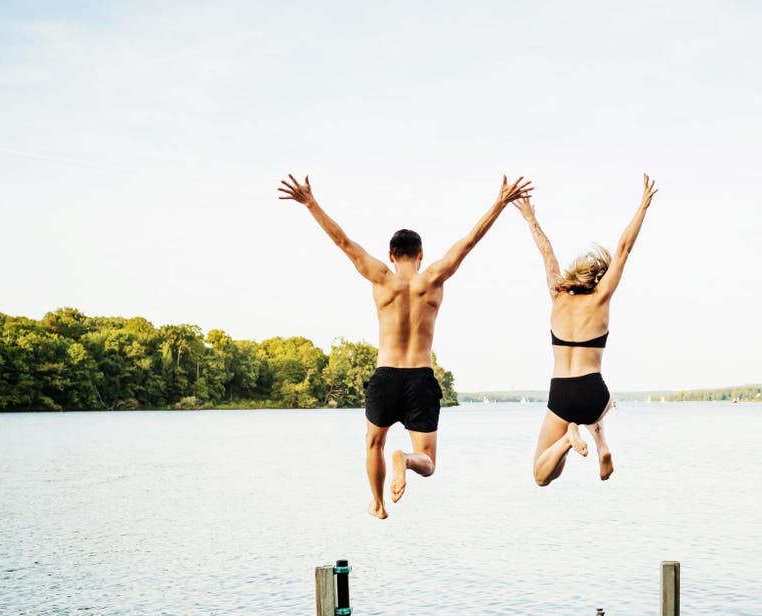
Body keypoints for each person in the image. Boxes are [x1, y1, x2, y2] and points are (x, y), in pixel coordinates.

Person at [278, 173, 533, 518]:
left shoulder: (381, 276)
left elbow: (343, 241)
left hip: (386, 377)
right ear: (421, 254)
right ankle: (406, 460)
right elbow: (469, 242)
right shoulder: (433, 277)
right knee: (427, 462)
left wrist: (310, 203)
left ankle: (379, 504)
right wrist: (500, 203)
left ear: (391, 254)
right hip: (420, 377)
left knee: (374, 442)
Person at [513, 174, 657, 486]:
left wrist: (530, 217)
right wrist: (643, 206)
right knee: (603, 406)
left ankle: (567, 440)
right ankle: (602, 444)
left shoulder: (557, 296)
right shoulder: (601, 299)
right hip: (595, 391)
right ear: (597, 279)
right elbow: (623, 249)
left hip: (562, 392)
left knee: (542, 475)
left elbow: (547, 252)